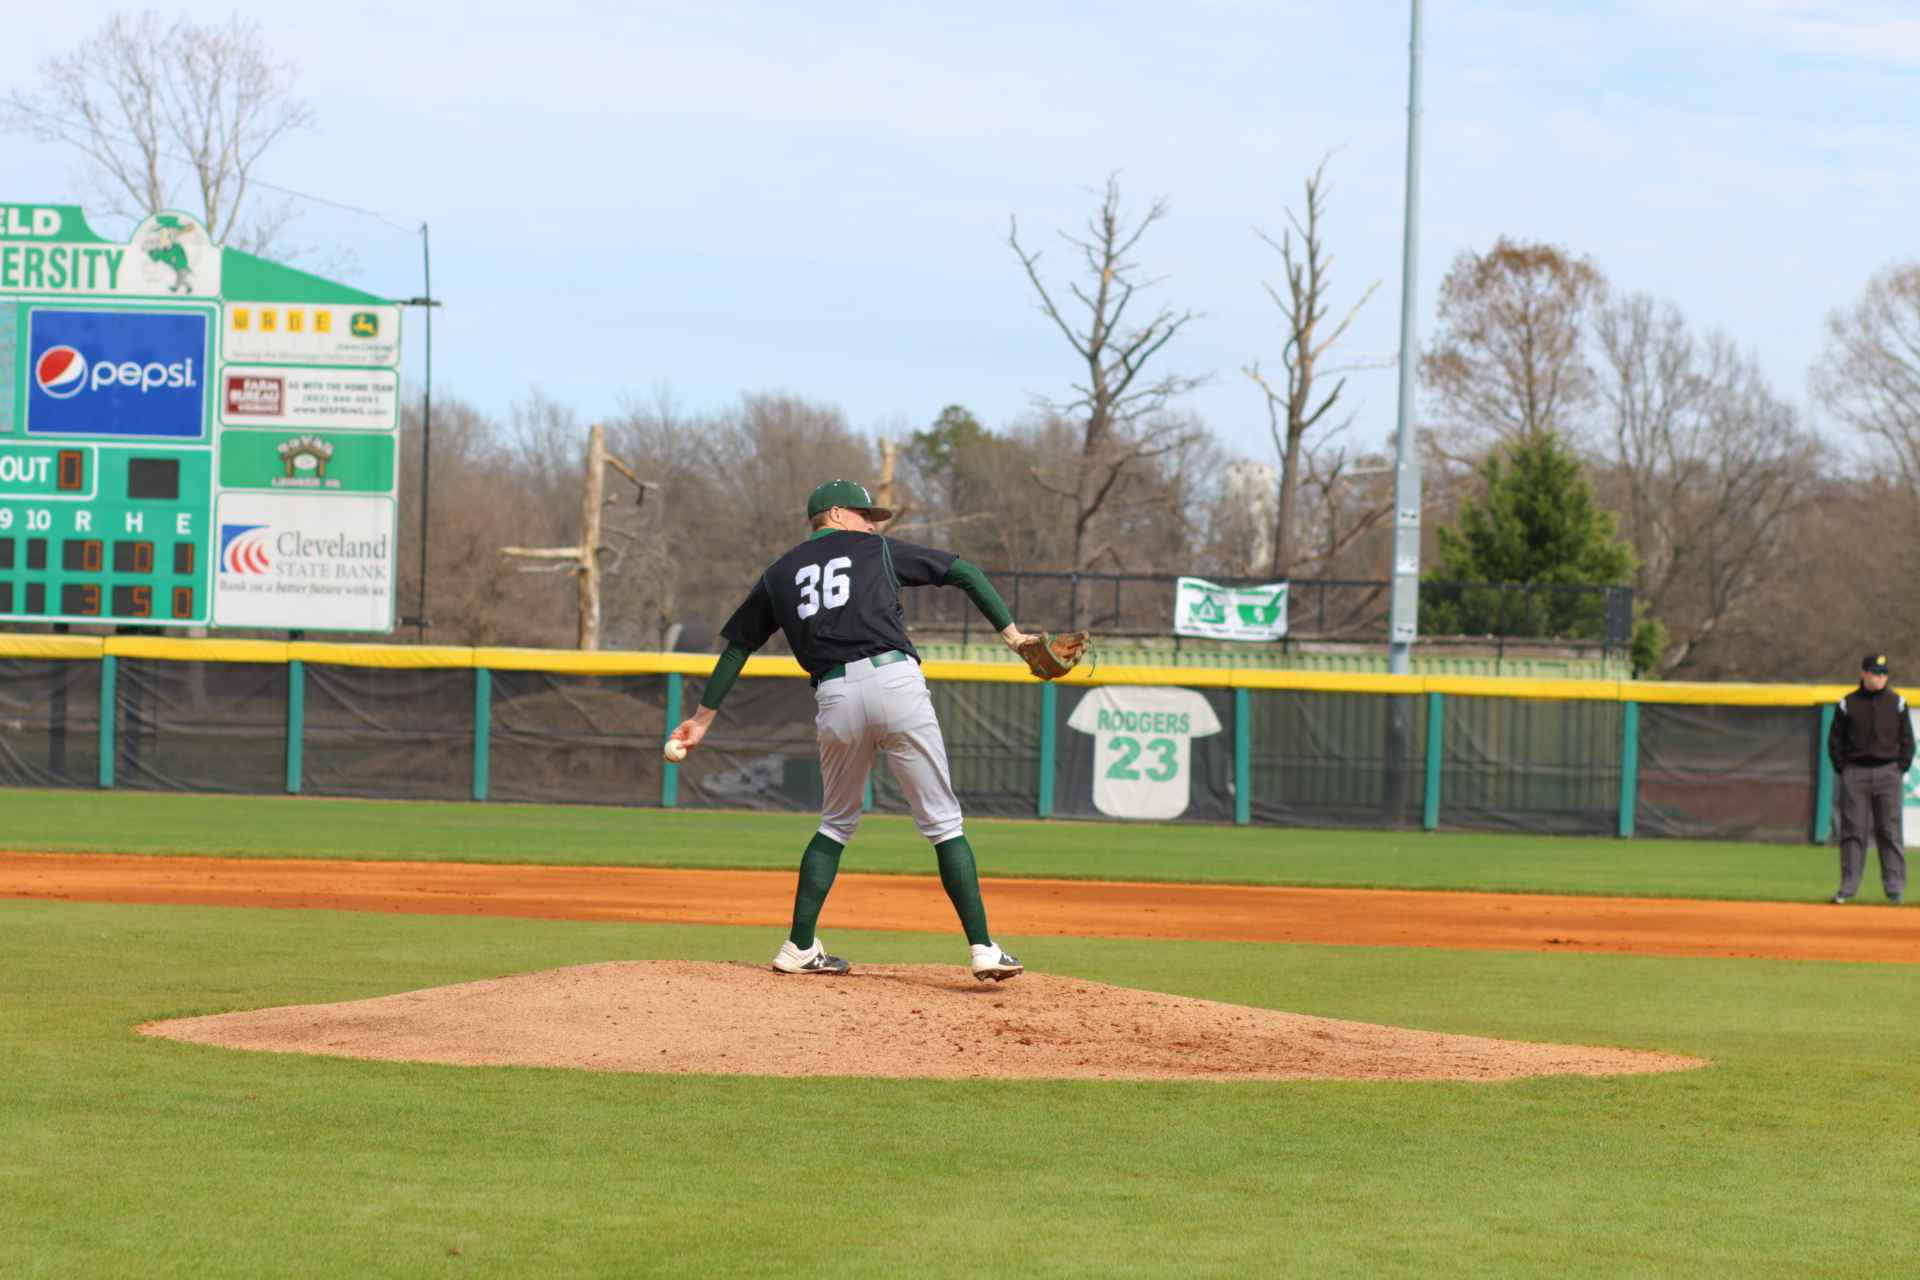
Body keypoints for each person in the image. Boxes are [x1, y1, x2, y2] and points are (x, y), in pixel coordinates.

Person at [667, 479, 1036, 979]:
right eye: (865, 514)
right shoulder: (876, 549)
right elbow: (963, 571)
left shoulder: (778, 573)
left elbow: (738, 646)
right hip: (896, 682)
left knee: (836, 824)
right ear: (837, 514)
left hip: (834, 696)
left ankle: (799, 947)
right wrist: (1013, 638)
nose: (872, 523)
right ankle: (983, 949)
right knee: (943, 823)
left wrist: (702, 721)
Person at [1827, 653, 1911, 905]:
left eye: (1885, 673)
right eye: (1876, 673)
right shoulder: (1848, 703)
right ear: (1864, 674)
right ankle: (1848, 886)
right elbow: (1835, 741)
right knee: (1853, 830)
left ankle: (1895, 889)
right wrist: (1843, 768)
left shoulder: (1897, 702)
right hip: (1856, 772)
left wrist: (1900, 767)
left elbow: (1907, 740)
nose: (1881, 677)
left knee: (1890, 831)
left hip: (1888, 772)